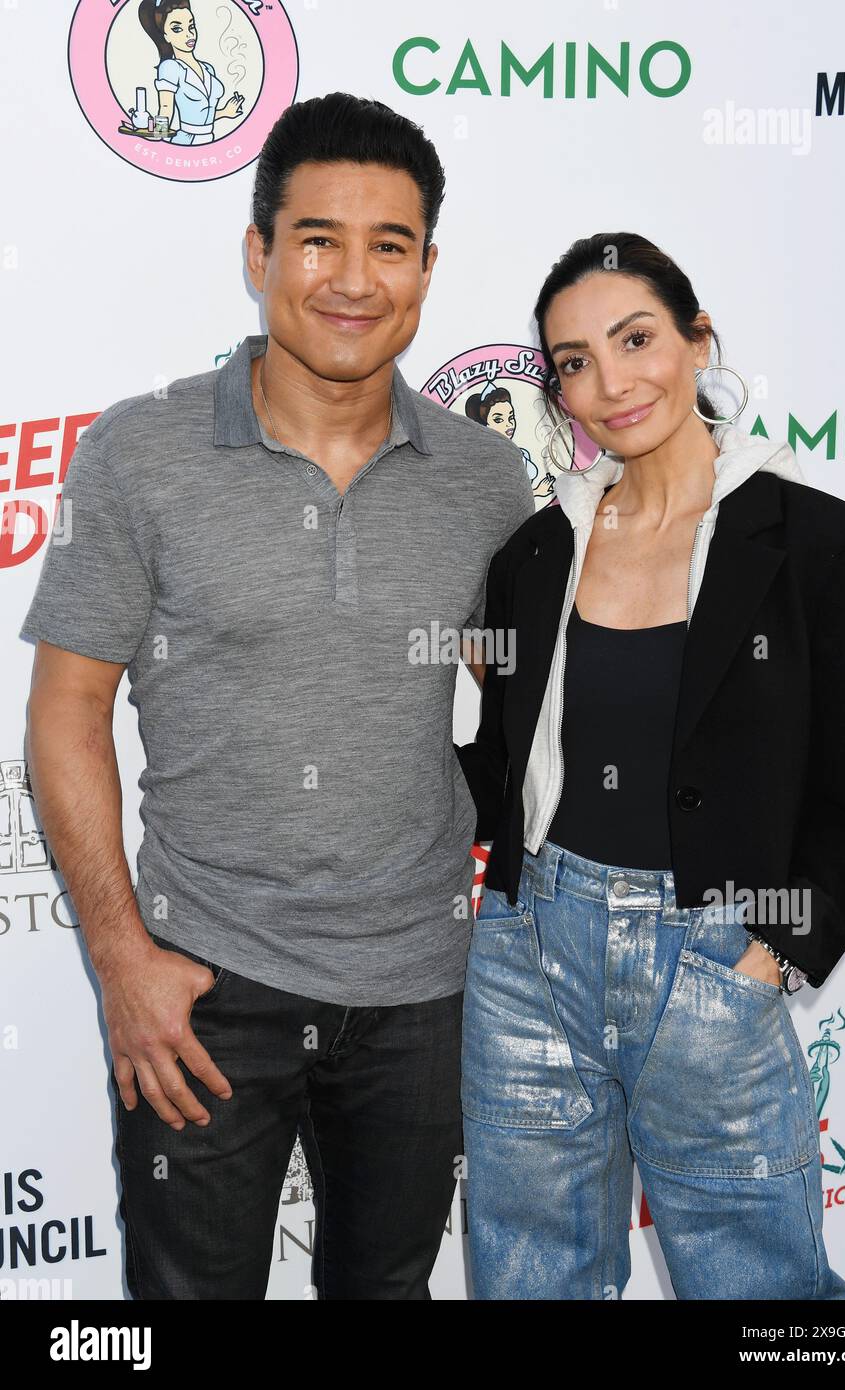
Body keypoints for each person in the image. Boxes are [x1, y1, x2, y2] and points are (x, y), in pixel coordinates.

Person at [19, 92, 534, 1300]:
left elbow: (531, 713)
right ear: (258, 254)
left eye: (389, 245)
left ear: (425, 269)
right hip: (203, 992)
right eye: (317, 239)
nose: (352, 279)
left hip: (423, 991)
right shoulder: (137, 453)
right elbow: (65, 711)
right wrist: (120, 960)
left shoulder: (482, 475)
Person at [453, 231, 845, 1300]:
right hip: (528, 961)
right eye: (572, 362)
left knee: (765, 1296)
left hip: (712, 957)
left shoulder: (824, 543)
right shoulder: (537, 549)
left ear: (699, 341)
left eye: (636, 338)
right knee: (528, 1281)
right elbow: (503, 764)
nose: (610, 383)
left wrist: (770, 954)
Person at [139, 1, 244, 145]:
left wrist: (225, 112)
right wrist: (157, 133)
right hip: (187, 140)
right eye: (177, 29)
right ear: (165, 36)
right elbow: (166, 108)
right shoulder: (170, 68)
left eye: (191, 26)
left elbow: (201, 114)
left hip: (208, 139)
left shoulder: (208, 68)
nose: (189, 34)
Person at [464, 383, 554, 499]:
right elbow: (499, 498)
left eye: (511, 417)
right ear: (483, 426)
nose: (509, 424)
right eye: (498, 419)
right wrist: (537, 491)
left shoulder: (520, 453)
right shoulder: (486, 460)